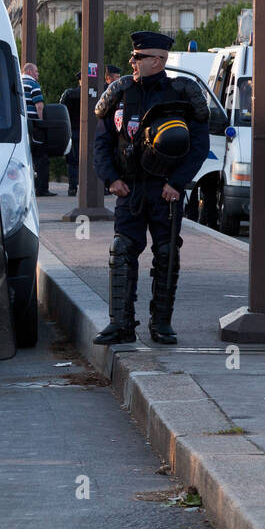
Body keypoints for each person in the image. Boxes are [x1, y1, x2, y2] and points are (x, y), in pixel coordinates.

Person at [92, 31, 210, 346]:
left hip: (164, 190)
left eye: (139, 57)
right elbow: (102, 141)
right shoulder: (120, 92)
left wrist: (176, 183)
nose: (132, 61)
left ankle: (161, 324)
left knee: (167, 254)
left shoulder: (183, 94)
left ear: (157, 60)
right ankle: (120, 324)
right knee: (122, 251)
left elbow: (199, 146)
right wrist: (111, 178)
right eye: (134, 56)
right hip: (129, 189)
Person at [22, 63, 51, 196]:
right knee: (41, 157)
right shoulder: (33, 85)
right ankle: (42, 189)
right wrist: (41, 122)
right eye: (36, 71)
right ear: (29, 71)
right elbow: (39, 105)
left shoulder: (17, 82)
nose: (38, 74)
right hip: (33, 125)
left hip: (21, 124)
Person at [60, 72, 82, 197]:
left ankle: (72, 188)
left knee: (72, 161)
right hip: (86, 132)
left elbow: (62, 109)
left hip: (72, 130)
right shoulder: (93, 94)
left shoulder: (69, 94)